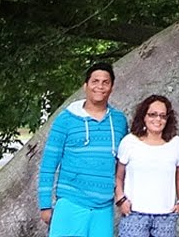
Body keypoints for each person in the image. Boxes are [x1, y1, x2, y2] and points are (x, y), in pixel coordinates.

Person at [38, 62, 130, 237]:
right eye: (95, 81)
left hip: (103, 208)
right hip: (71, 203)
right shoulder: (65, 120)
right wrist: (45, 205)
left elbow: (123, 164)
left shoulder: (119, 121)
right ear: (85, 85)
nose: (100, 86)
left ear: (112, 87)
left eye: (105, 82)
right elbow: (48, 164)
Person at [115, 94, 179, 237]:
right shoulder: (129, 142)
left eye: (162, 115)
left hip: (165, 216)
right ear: (144, 116)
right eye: (152, 115)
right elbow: (118, 176)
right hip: (134, 215)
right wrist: (120, 199)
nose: (157, 119)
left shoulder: (176, 143)